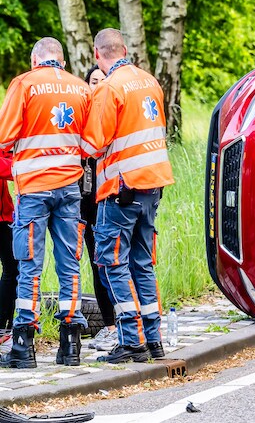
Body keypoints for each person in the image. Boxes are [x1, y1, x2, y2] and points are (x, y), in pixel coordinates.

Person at [82, 29, 174, 363]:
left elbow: (93, 144)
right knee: (143, 264)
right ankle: (154, 339)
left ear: (97, 55)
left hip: (121, 189)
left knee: (112, 263)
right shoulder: (149, 81)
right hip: (152, 186)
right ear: (124, 49)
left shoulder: (110, 87)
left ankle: (131, 340)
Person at [0, 37, 90, 369]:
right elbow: (91, 142)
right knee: (69, 264)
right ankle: (71, 346)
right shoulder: (81, 88)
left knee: (29, 265)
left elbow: (4, 137)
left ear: (35, 60)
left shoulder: (24, 84)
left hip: (34, 189)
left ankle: (24, 346)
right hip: (69, 188)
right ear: (61, 61)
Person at [79, 65, 119, 351]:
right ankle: (109, 325)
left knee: (113, 262)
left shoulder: (114, 114)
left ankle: (124, 325)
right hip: (85, 201)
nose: (98, 85)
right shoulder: (80, 116)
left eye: (102, 81)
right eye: (93, 81)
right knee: (95, 263)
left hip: (110, 198)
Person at [0, 149, 15, 353]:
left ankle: (4, 332)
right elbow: (11, 168)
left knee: (13, 270)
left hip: (4, 216)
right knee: (12, 270)